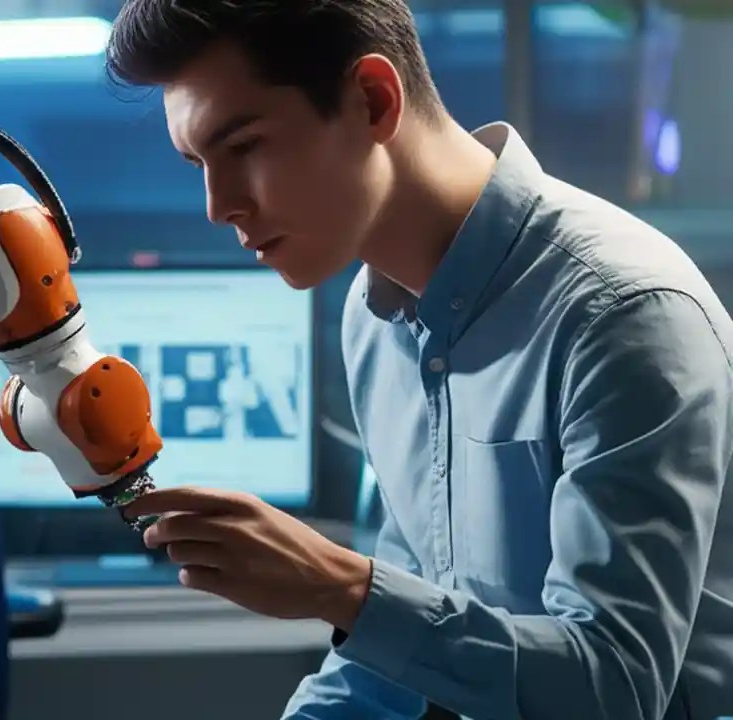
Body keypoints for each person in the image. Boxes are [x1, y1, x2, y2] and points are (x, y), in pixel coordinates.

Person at [108, 2, 733, 719]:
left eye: (245, 146)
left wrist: (339, 586)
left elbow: (615, 690)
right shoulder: (373, 323)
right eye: (197, 163)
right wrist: (357, 602)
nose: (217, 207)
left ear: (374, 101)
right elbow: (391, 667)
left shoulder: (621, 314)